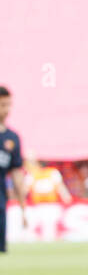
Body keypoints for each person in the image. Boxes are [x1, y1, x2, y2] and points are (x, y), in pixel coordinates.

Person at [0, 86, 26, 251]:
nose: (7, 110)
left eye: (9, 105)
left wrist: (23, 208)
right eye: (3, 105)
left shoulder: (12, 138)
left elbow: (17, 174)